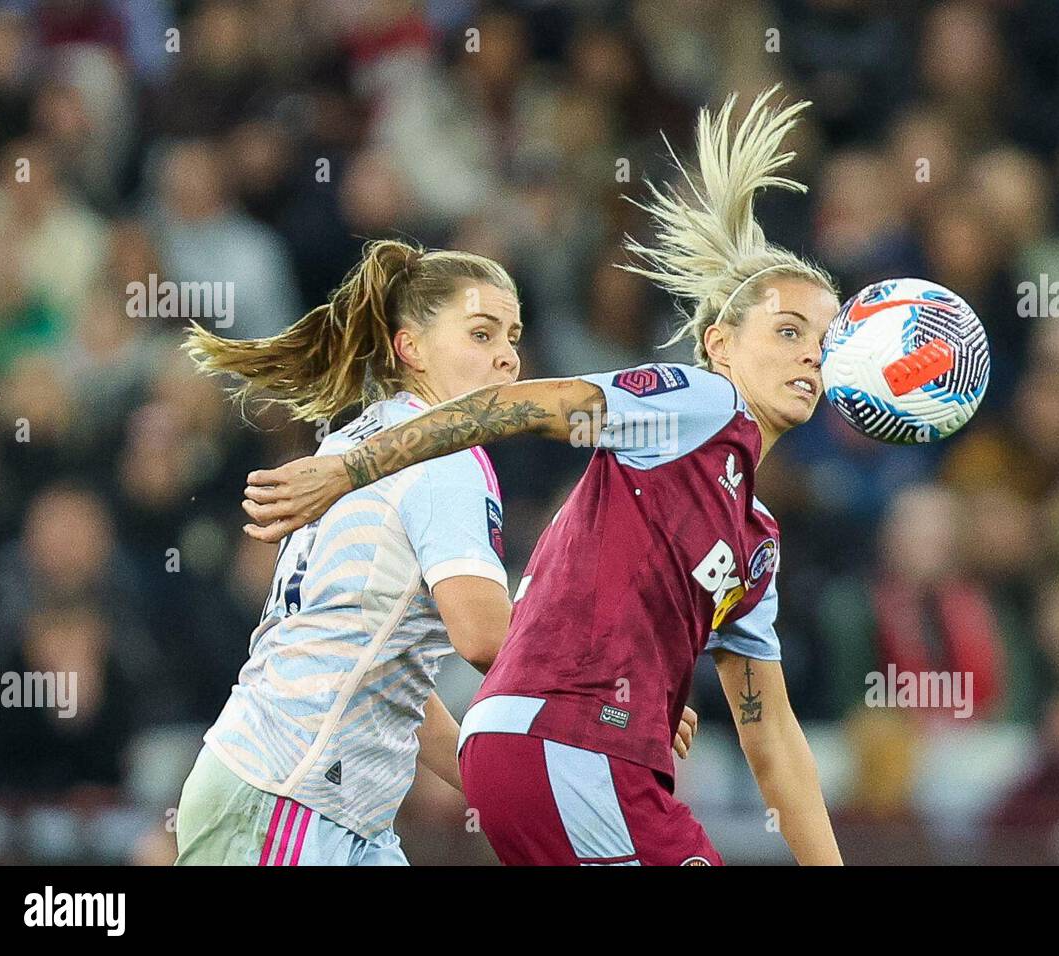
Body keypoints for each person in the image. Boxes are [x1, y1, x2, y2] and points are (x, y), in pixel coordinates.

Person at [240, 89, 844, 865]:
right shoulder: (700, 405)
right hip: (571, 744)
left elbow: (771, 736)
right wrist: (352, 468)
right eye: (788, 331)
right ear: (720, 344)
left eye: (824, 343)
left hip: (548, 748)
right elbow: (529, 407)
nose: (809, 355)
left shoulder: (754, 541)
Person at [174, 241, 523, 864]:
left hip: (302, 799)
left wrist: (507, 797)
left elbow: (388, 675)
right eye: (480, 333)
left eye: (513, 337)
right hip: (289, 799)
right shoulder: (442, 459)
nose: (507, 357)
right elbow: (485, 637)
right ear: (409, 347)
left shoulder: (353, 444)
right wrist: (610, 688)